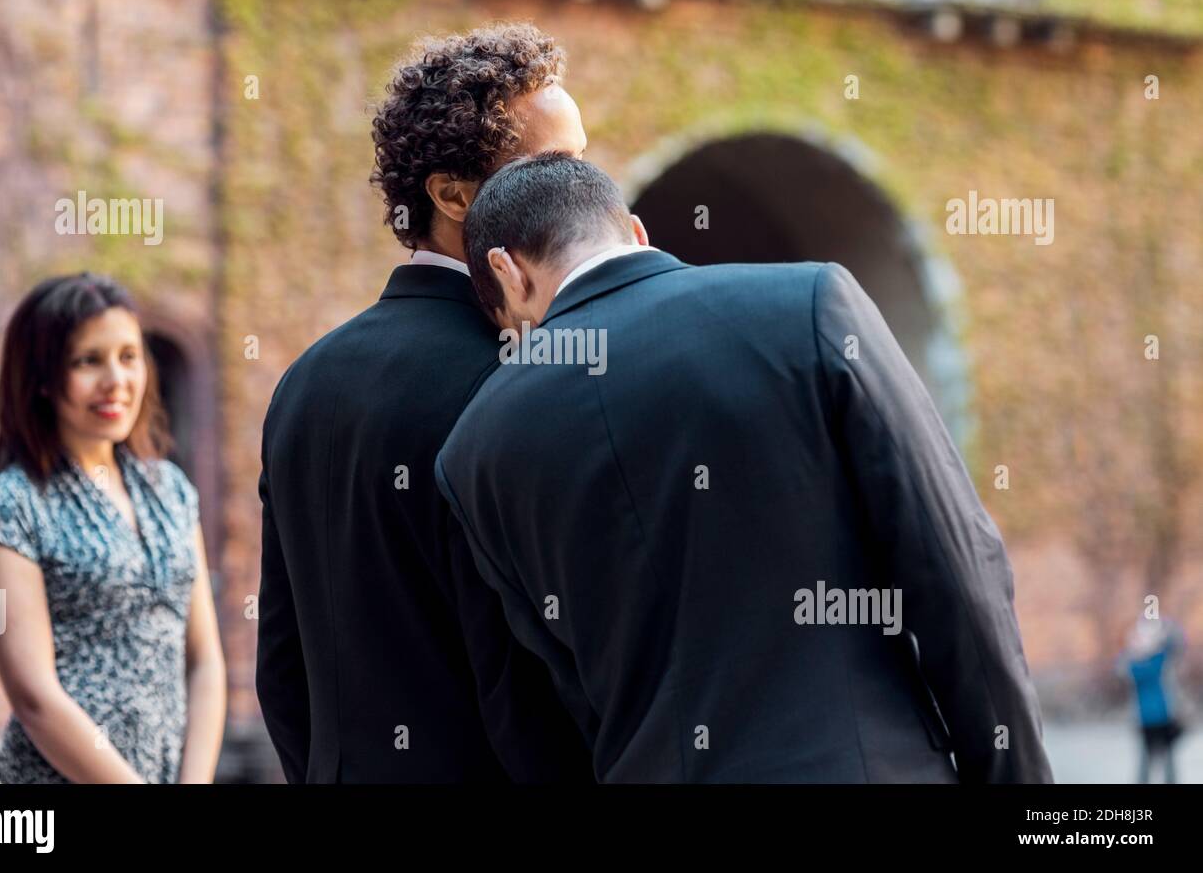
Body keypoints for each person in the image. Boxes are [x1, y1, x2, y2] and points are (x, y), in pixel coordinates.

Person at [436, 154, 1054, 783]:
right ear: (636, 232)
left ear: (506, 273)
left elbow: (551, 701)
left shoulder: (473, 452)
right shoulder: (808, 306)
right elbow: (954, 566)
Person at [257, 23, 592, 782]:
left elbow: (281, 669)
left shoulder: (304, 380)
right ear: (451, 192)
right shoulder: (520, 376)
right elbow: (525, 680)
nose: (588, 194)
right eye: (556, 168)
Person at [0, 273, 225, 783]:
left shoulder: (170, 488)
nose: (115, 381)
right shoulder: (5, 506)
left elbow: (206, 662)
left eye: (128, 357)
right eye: (88, 361)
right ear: (41, 378)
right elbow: (34, 696)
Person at [1119, 616, 1185, 783]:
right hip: (1154, 718)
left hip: (1156, 718)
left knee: (1155, 763)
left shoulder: (1137, 664)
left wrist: (1160, 628)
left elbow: (1176, 643)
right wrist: (1163, 632)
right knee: (1159, 763)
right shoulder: (1152, 662)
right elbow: (1174, 644)